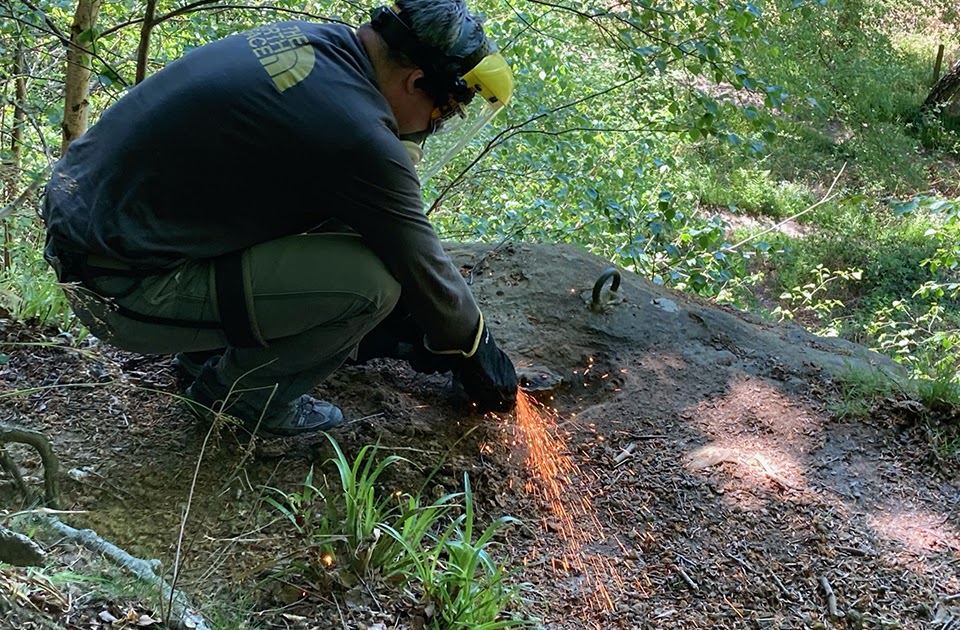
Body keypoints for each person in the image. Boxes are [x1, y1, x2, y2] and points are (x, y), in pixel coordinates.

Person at [40, 0, 519, 437]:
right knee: (371, 287)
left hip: (91, 236)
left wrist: (420, 325)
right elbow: (421, 262)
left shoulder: (310, 42)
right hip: (118, 289)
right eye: (443, 112)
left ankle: (206, 354)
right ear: (416, 81)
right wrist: (477, 348)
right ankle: (243, 402)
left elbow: (373, 224)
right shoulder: (356, 132)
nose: (435, 126)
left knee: (360, 240)